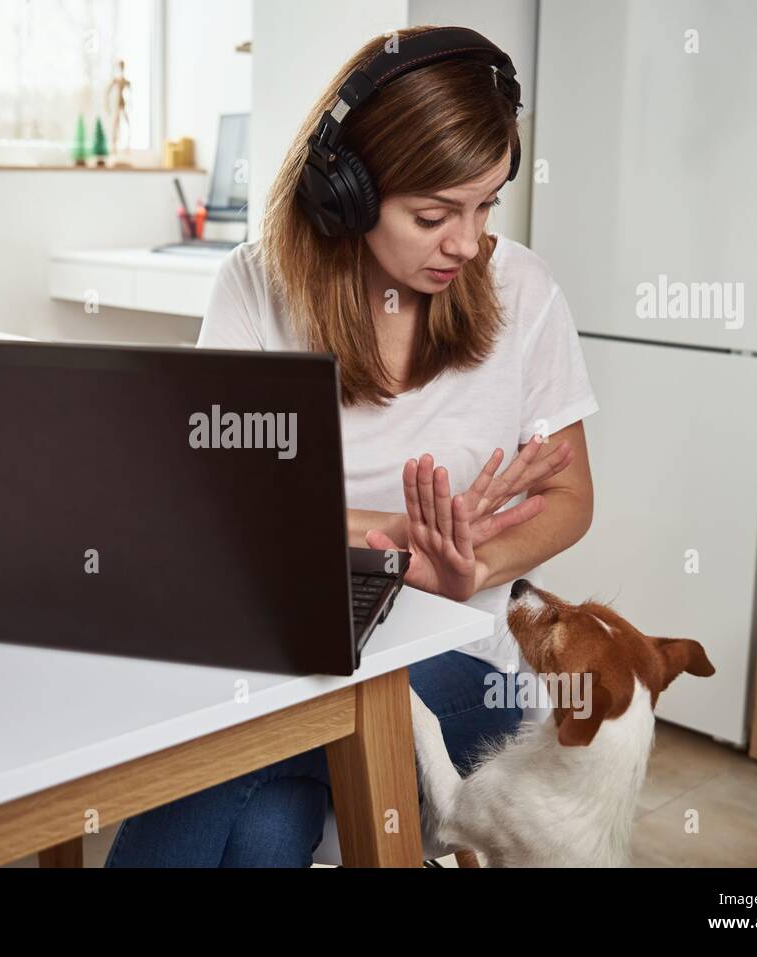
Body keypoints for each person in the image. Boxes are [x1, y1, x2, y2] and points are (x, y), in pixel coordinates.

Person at [106, 25, 598, 867]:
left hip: (458, 653)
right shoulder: (254, 286)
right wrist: (404, 537)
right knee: (265, 830)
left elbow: (571, 497)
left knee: (211, 754)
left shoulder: (524, 290)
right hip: (284, 644)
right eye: (435, 214)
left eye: (486, 206)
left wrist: (470, 567)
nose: (469, 242)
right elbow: (223, 505)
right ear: (348, 192)